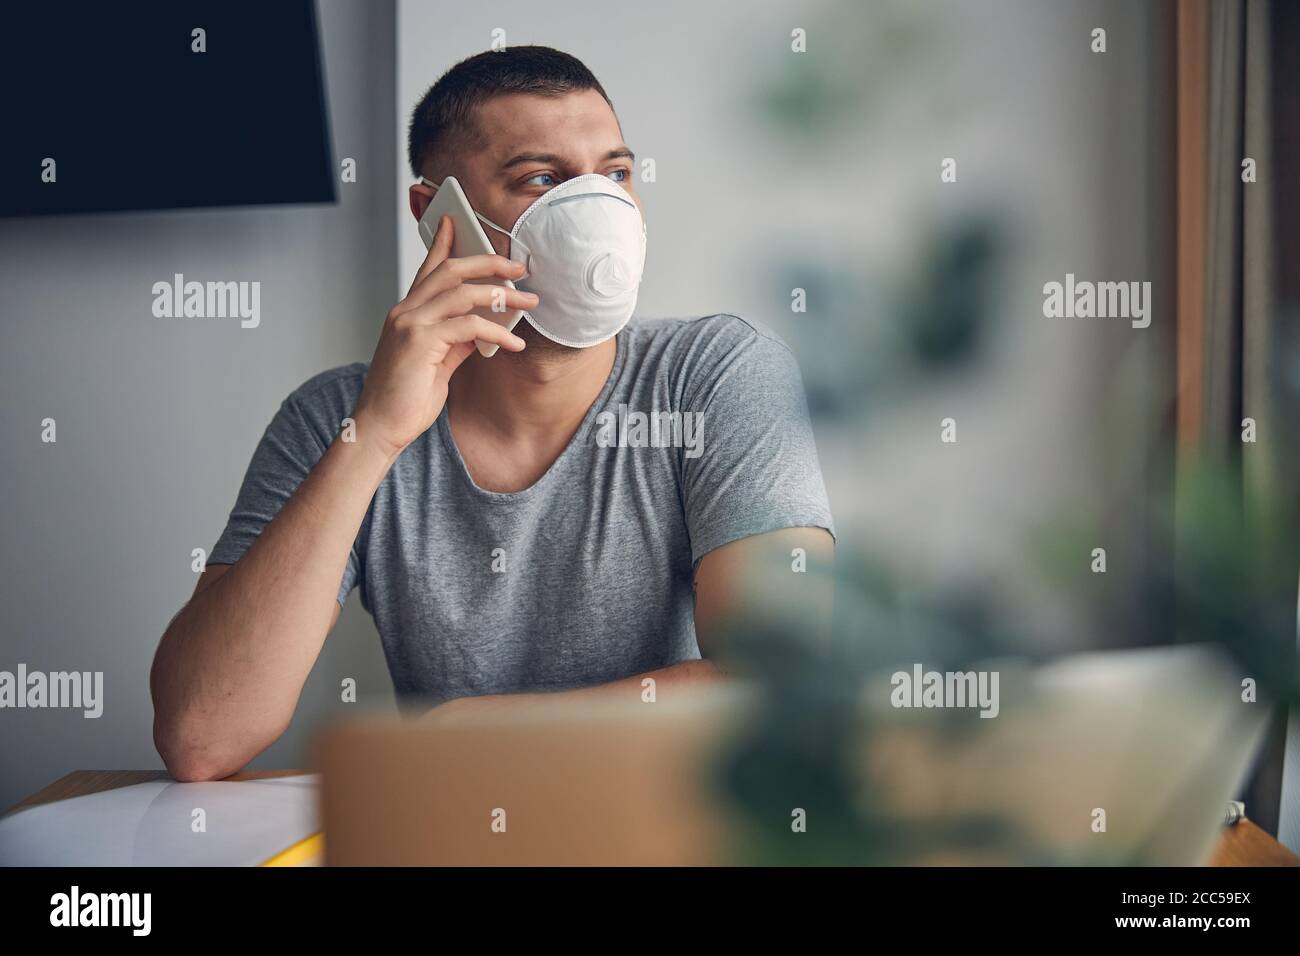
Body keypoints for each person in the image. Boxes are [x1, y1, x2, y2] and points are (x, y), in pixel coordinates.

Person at [150, 46, 834, 782]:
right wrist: (376, 436)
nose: (601, 210)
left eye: (615, 175)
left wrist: (472, 730)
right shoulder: (336, 416)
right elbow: (202, 735)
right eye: (542, 179)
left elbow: (786, 685)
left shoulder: (716, 374)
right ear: (437, 214)